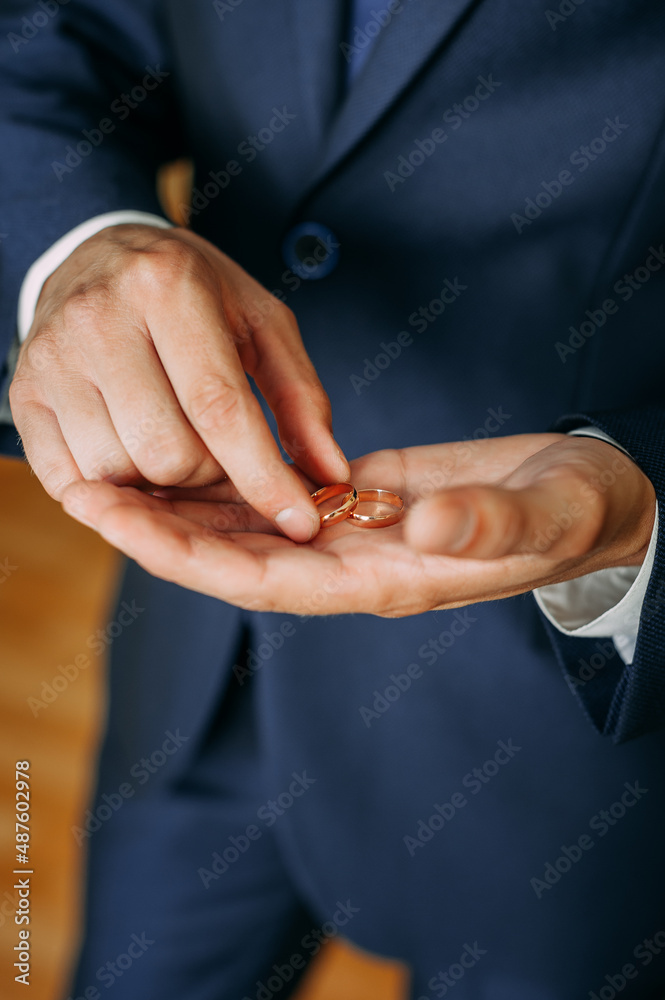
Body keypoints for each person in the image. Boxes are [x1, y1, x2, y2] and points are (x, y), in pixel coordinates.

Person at [2, 1, 665, 996]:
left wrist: (638, 498)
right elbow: (54, 36)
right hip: (199, 649)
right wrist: (77, 251)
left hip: (556, 718)